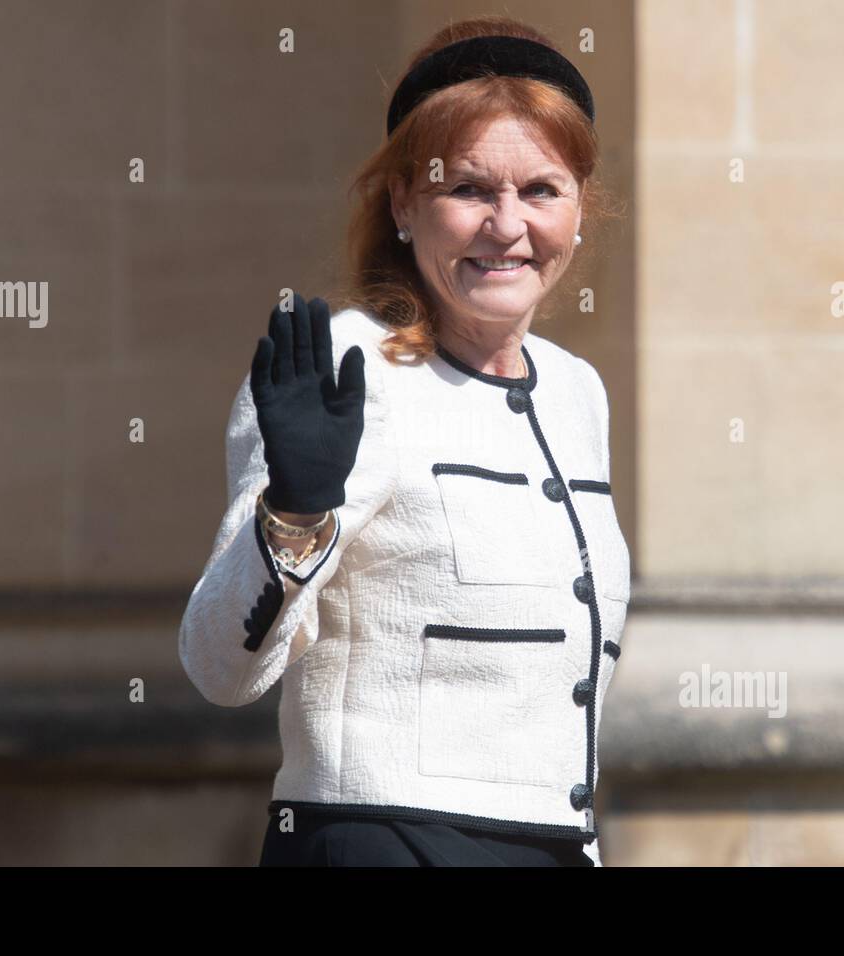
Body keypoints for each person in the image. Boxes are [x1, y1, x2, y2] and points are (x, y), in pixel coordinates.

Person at [179, 16, 629, 867]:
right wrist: (292, 513)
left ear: (579, 209)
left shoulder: (577, 391)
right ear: (402, 204)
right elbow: (218, 668)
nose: (507, 225)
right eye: (468, 190)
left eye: (541, 189)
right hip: (384, 843)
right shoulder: (352, 369)